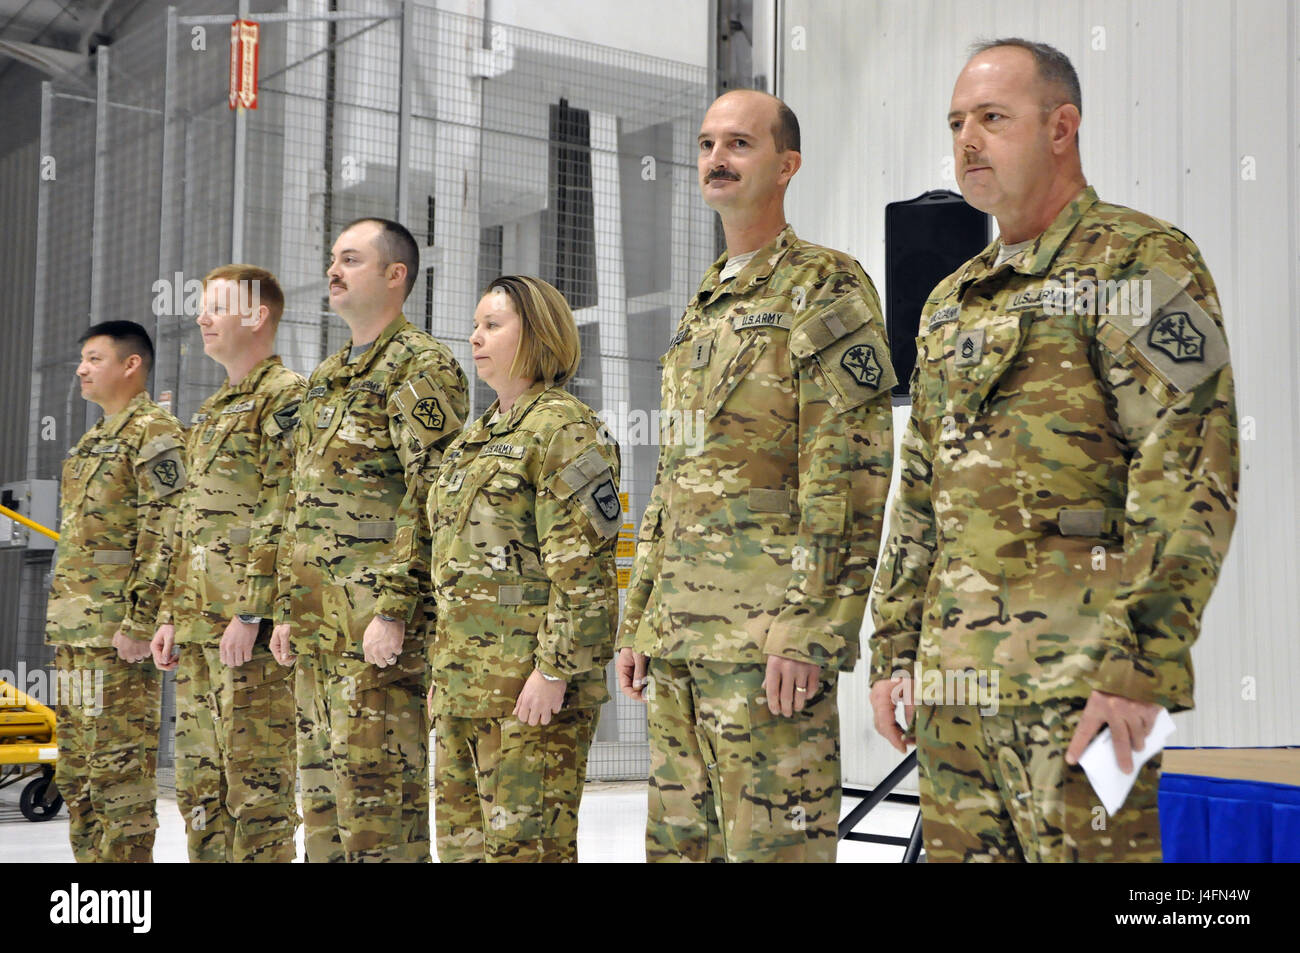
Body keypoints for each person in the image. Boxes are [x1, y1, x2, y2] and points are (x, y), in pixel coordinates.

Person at [868, 39, 1239, 862]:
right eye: (958, 122)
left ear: (1062, 126)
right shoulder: (950, 303)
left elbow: (1190, 473)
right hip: (954, 692)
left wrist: (1140, 668)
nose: (967, 141)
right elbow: (921, 491)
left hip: (1081, 690)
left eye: (993, 119)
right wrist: (893, 651)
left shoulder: (1140, 265)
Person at [615, 89, 896, 862]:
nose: (716, 158)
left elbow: (853, 467)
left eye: (739, 143)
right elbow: (673, 475)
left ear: (787, 164)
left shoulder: (825, 285)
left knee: (776, 851)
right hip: (679, 638)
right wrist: (641, 612)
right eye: (707, 144)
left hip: (767, 640)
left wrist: (814, 627)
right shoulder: (702, 303)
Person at [272, 217, 469, 862]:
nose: (333, 270)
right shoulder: (328, 376)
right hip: (317, 632)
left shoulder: (420, 367)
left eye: (351, 259)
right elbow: (301, 500)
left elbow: (434, 495)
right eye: (332, 258)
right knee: (324, 810)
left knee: (379, 810)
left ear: (395, 275)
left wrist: (395, 610)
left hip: (375, 634)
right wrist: (285, 607)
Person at [427, 275, 619, 862]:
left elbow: (584, 569)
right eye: (476, 324)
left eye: (492, 325)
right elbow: (456, 570)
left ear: (535, 334)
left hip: (528, 691)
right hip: (465, 685)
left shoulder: (563, 429)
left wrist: (555, 672)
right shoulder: (474, 439)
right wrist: (443, 672)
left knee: (526, 851)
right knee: (462, 852)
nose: (474, 336)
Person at [150, 265, 304, 862]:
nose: (202, 318)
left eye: (215, 306)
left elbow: (284, 507)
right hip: (198, 630)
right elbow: (193, 522)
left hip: (248, 633)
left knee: (256, 791)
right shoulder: (214, 409)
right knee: (200, 793)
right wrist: (170, 613)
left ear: (256, 315)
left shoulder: (285, 396)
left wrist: (254, 610)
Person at [45, 320, 186, 862]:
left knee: (118, 776)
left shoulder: (154, 432)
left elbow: (167, 528)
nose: (81, 368)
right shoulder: (90, 443)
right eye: (81, 358)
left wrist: (140, 622)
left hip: (116, 640)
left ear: (132, 365)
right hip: (76, 636)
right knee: (78, 773)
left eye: (95, 358)